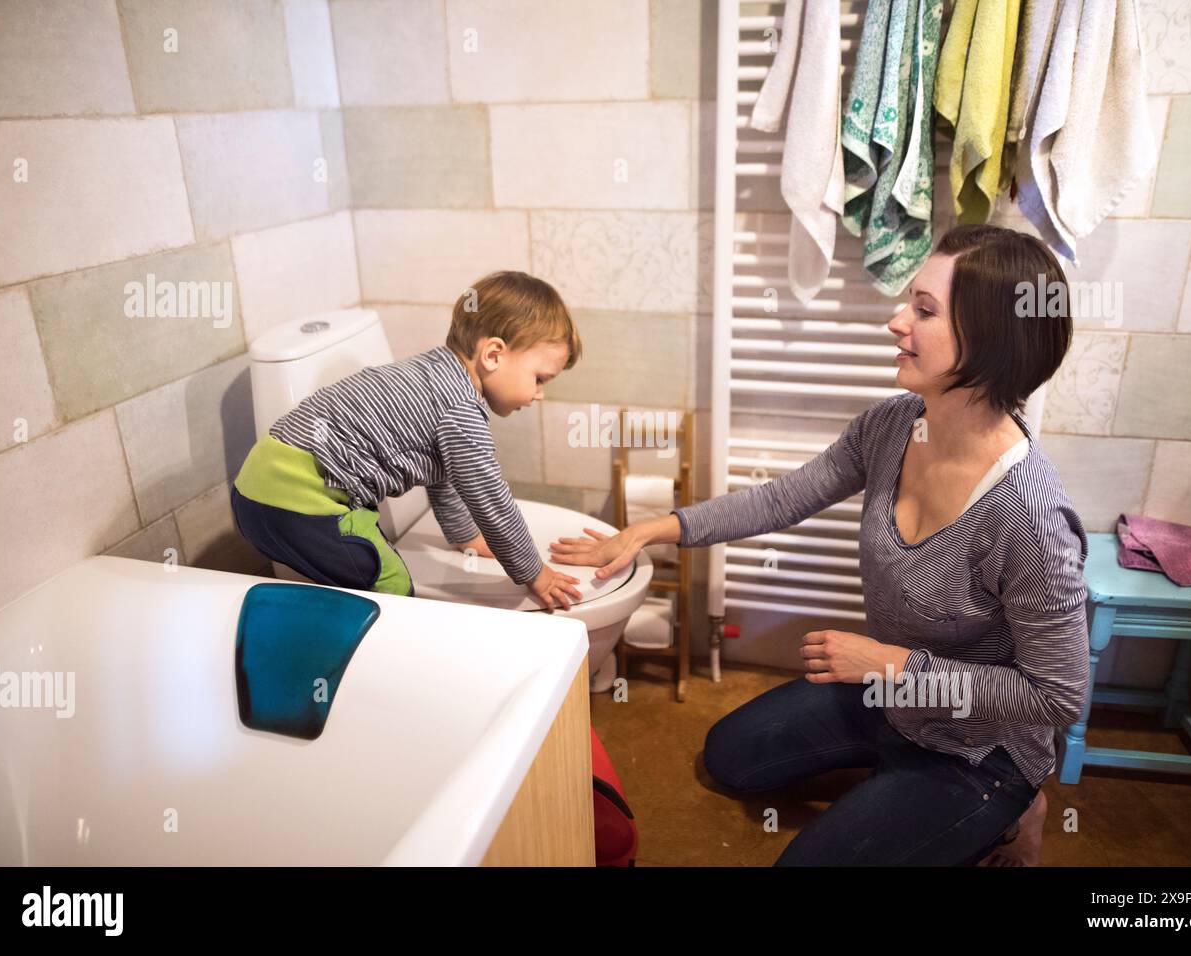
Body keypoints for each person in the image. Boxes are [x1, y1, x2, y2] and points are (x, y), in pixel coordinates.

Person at [550, 225, 1089, 865]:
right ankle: (892, 777)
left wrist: (891, 665)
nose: (896, 322)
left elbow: (1057, 696)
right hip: (893, 699)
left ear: (990, 339)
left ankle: (1018, 807)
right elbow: (782, 498)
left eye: (922, 310)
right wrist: (651, 530)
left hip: (980, 750)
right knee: (730, 757)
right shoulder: (892, 426)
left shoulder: (1030, 514)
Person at [231, 270, 584, 611]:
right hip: (302, 502)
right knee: (391, 586)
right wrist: (533, 573)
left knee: (343, 587)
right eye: (540, 378)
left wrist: (466, 538)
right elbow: (491, 500)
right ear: (493, 355)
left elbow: (444, 474)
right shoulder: (460, 409)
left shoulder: (433, 375)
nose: (539, 395)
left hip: (257, 489)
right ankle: (376, 666)